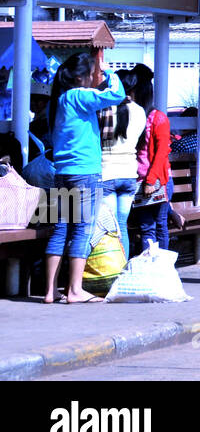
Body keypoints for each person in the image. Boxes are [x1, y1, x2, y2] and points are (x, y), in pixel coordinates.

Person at [43, 51, 125, 304]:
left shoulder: (58, 100)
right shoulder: (79, 96)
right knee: (81, 231)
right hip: (85, 172)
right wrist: (110, 72)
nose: (95, 77)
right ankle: (75, 291)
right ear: (80, 78)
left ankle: (49, 291)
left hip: (62, 172)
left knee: (59, 230)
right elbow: (117, 95)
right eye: (92, 74)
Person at [100, 69, 144, 249]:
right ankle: (122, 269)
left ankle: (110, 271)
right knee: (122, 227)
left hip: (106, 173)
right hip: (129, 174)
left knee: (110, 228)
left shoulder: (104, 109)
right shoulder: (140, 111)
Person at [131, 67, 173, 252]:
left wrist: (150, 181)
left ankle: (161, 268)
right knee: (147, 227)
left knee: (158, 225)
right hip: (139, 181)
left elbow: (162, 152)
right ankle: (150, 269)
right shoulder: (134, 116)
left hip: (156, 181)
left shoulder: (158, 118)